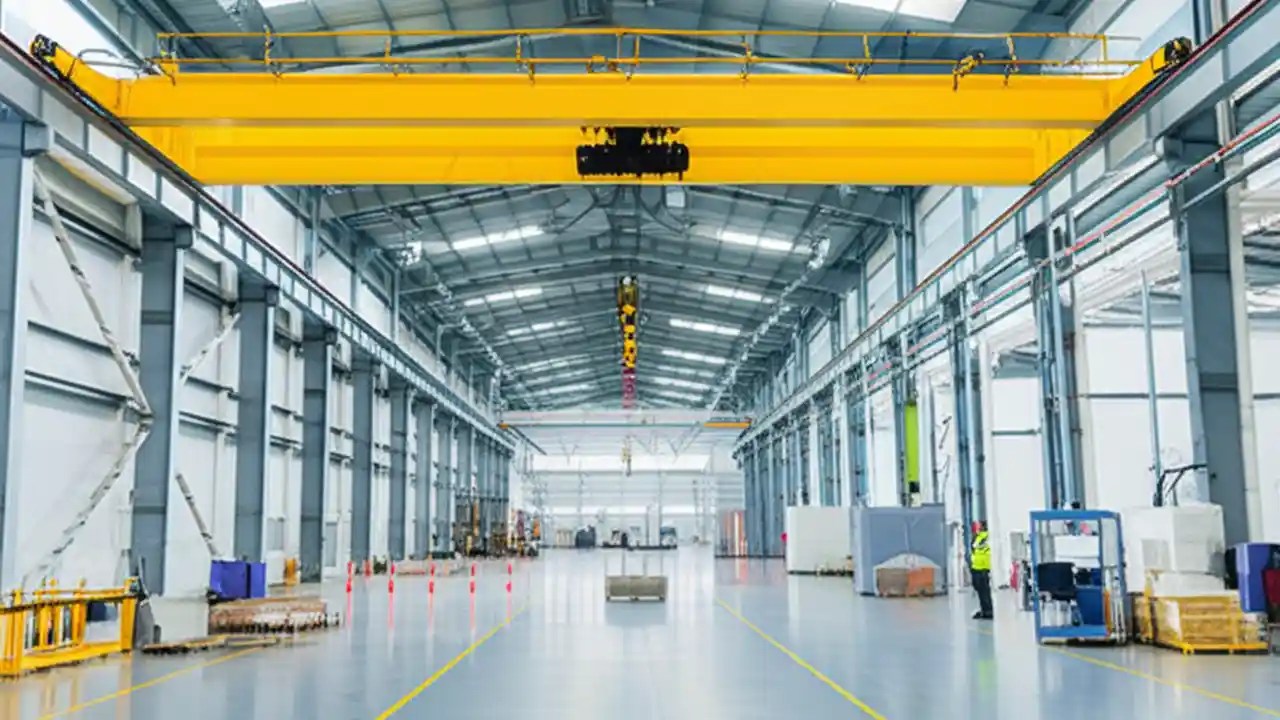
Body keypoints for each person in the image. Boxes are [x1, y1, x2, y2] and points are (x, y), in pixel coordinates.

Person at [971, 521, 993, 620]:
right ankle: (984, 609)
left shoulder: (985, 537)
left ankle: (988, 610)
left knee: (984, 591)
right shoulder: (977, 537)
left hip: (983, 568)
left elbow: (977, 547)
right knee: (980, 591)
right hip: (976, 567)